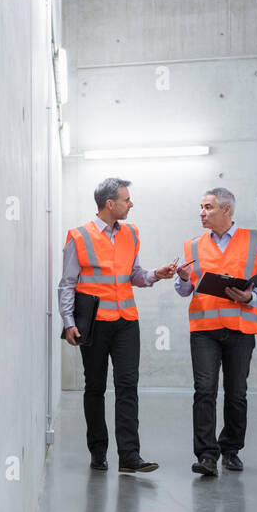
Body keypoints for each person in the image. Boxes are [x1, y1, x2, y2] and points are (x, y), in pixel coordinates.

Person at [59, 177, 178, 473]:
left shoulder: (132, 233)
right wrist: (69, 322)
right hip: (95, 325)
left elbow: (134, 274)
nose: (131, 204)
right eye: (126, 200)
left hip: (127, 322)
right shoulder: (79, 236)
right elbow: (67, 284)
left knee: (128, 387)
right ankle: (98, 452)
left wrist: (156, 274)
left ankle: (129, 457)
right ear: (109, 204)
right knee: (95, 388)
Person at [173, 188, 257, 476]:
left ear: (226, 210)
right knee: (204, 391)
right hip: (204, 329)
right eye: (201, 207)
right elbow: (185, 290)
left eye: (208, 207)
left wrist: (250, 298)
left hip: (241, 329)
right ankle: (206, 455)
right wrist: (182, 280)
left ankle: (231, 450)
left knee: (236, 393)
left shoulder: (256, 241)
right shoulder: (193, 246)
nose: (201, 213)